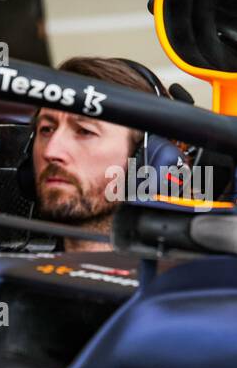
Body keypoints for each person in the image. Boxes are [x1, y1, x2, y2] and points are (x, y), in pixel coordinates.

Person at [29, 56, 161, 252]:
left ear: (144, 157)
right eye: (47, 129)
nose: (51, 152)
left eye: (84, 131)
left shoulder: (196, 280)